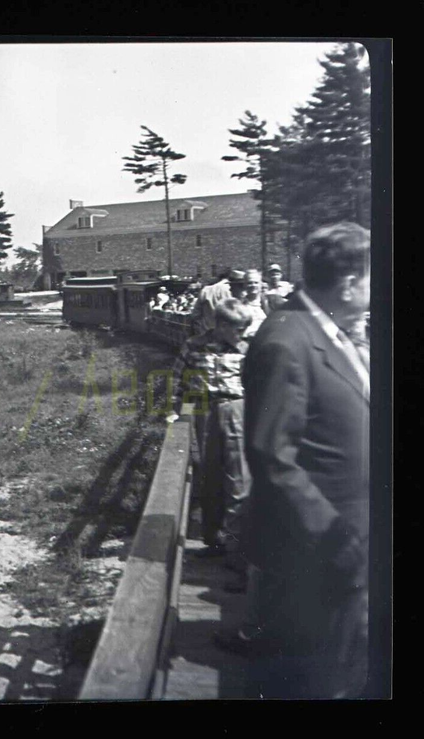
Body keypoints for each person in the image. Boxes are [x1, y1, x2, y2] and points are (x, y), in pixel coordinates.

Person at [240, 222, 370, 698]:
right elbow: (273, 457)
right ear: (350, 283)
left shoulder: (324, 330)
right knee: (319, 681)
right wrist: (337, 537)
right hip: (320, 551)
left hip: (346, 542)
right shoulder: (286, 340)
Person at [168, 297, 253, 558]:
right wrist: (172, 411)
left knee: (238, 476)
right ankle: (213, 539)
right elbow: (176, 378)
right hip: (203, 410)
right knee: (208, 474)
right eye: (238, 328)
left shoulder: (246, 349)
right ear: (220, 324)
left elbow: (258, 382)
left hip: (236, 408)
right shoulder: (195, 345)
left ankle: (236, 543)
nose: (242, 333)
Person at [240, 269, 268, 339]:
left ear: (261, 284)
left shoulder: (270, 301)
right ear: (244, 285)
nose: (253, 285)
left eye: (256, 282)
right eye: (250, 283)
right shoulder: (239, 305)